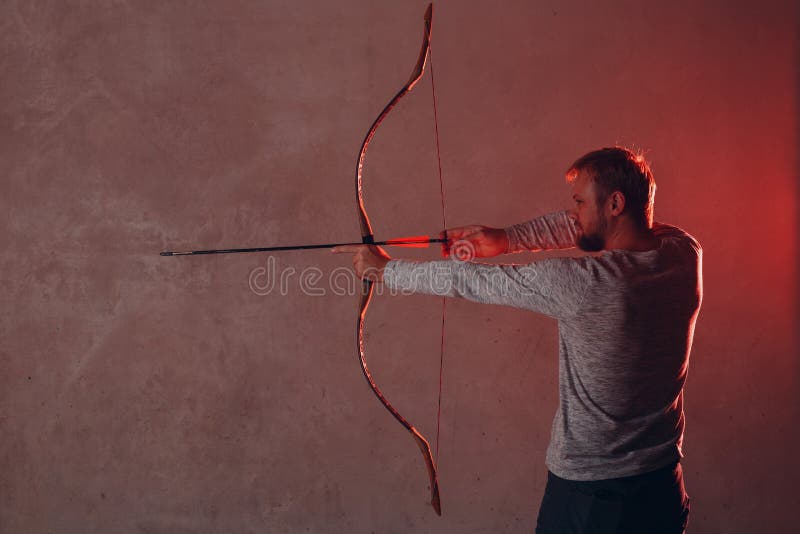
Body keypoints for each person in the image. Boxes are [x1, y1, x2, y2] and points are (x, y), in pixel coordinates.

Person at [333, 146, 702, 533]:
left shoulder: (584, 284)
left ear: (614, 203)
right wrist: (505, 239)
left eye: (579, 202)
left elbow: (469, 280)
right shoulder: (684, 253)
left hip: (592, 500)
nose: (572, 214)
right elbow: (592, 228)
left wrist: (386, 271)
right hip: (662, 488)